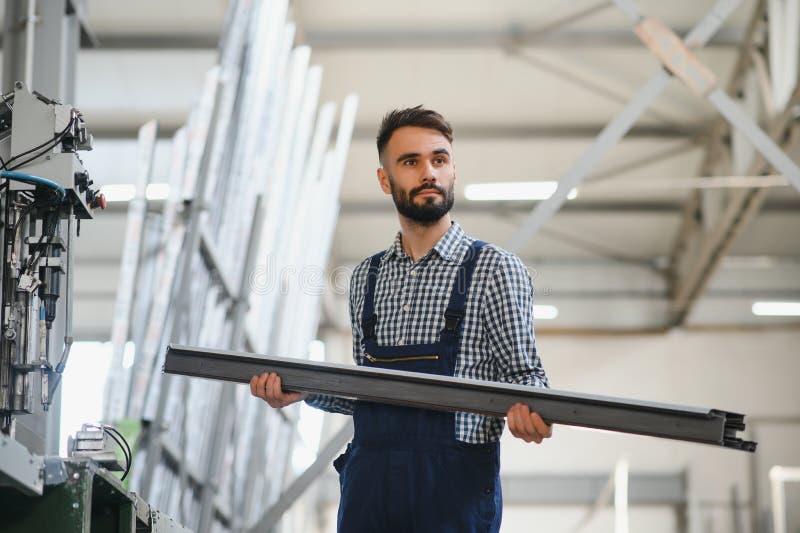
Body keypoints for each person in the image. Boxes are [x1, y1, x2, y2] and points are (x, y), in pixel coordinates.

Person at [250, 106, 552, 532]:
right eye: (411, 162)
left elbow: (526, 376)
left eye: (439, 159)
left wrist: (533, 413)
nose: (429, 172)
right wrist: (300, 391)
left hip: (451, 495)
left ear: (452, 170)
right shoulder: (366, 278)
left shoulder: (494, 269)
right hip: (369, 492)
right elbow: (366, 394)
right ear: (384, 179)